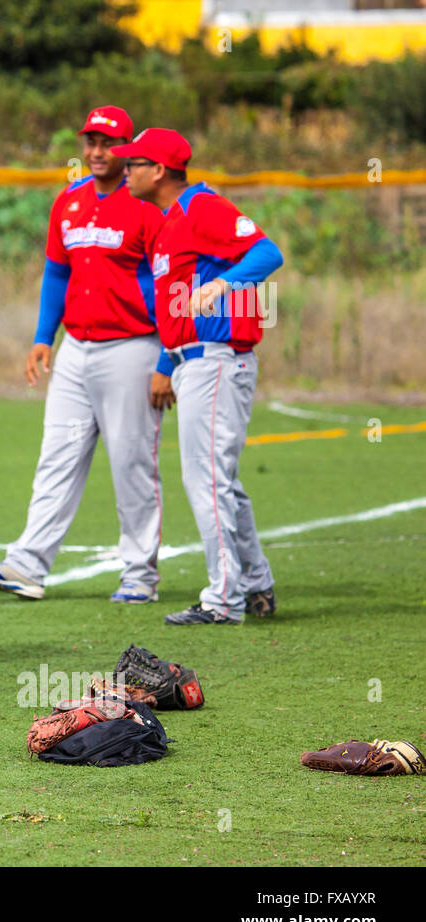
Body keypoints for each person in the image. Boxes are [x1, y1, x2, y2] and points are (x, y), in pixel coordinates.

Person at [0, 106, 171, 604]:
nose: (97, 151)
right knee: (56, 456)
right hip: (76, 349)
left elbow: (171, 282)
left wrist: (167, 357)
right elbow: (57, 274)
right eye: (90, 142)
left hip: (132, 347)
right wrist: (44, 335)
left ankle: (139, 573)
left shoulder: (146, 204)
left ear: (126, 149)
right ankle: (27, 564)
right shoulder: (69, 200)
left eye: (108, 143)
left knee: (131, 461)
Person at [111, 128, 283, 624]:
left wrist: (226, 284)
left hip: (217, 358)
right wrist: (168, 360)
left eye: (134, 163)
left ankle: (224, 600)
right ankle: (255, 584)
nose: (126, 171)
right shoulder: (167, 220)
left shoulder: (200, 205)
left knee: (207, 480)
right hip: (195, 361)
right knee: (219, 480)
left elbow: (268, 253)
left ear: (159, 169)